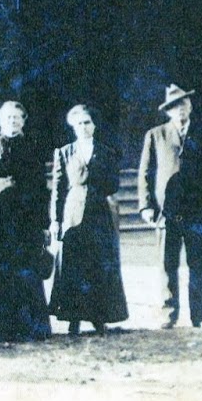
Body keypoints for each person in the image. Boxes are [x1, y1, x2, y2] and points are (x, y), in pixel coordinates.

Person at [138, 84, 202, 330]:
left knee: (198, 264)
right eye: (175, 107)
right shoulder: (156, 135)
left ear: (190, 106)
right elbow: (146, 172)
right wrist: (146, 206)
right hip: (167, 211)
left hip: (198, 210)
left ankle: (200, 315)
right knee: (167, 263)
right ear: (168, 111)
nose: (180, 110)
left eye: (184, 104)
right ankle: (169, 312)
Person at [0, 100, 52, 340]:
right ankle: (2, 325)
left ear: (24, 121)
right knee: (0, 266)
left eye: (17, 117)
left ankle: (31, 324)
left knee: (27, 266)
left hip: (27, 216)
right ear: (0, 120)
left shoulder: (34, 147)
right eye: (8, 118)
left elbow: (40, 188)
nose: (13, 121)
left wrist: (44, 223)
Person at [49, 104, 129, 335]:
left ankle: (98, 316)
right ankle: (73, 317)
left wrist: (98, 181)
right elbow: (58, 189)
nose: (83, 127)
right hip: (73, 212)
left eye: (88, 123)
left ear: (94, 125)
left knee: (98, 264)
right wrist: (55, 220)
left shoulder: (106, 151)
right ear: (72, 126)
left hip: (98, 212)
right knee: (73, 265)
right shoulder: (63, 152)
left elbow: (113, 184)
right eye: (79, 123)